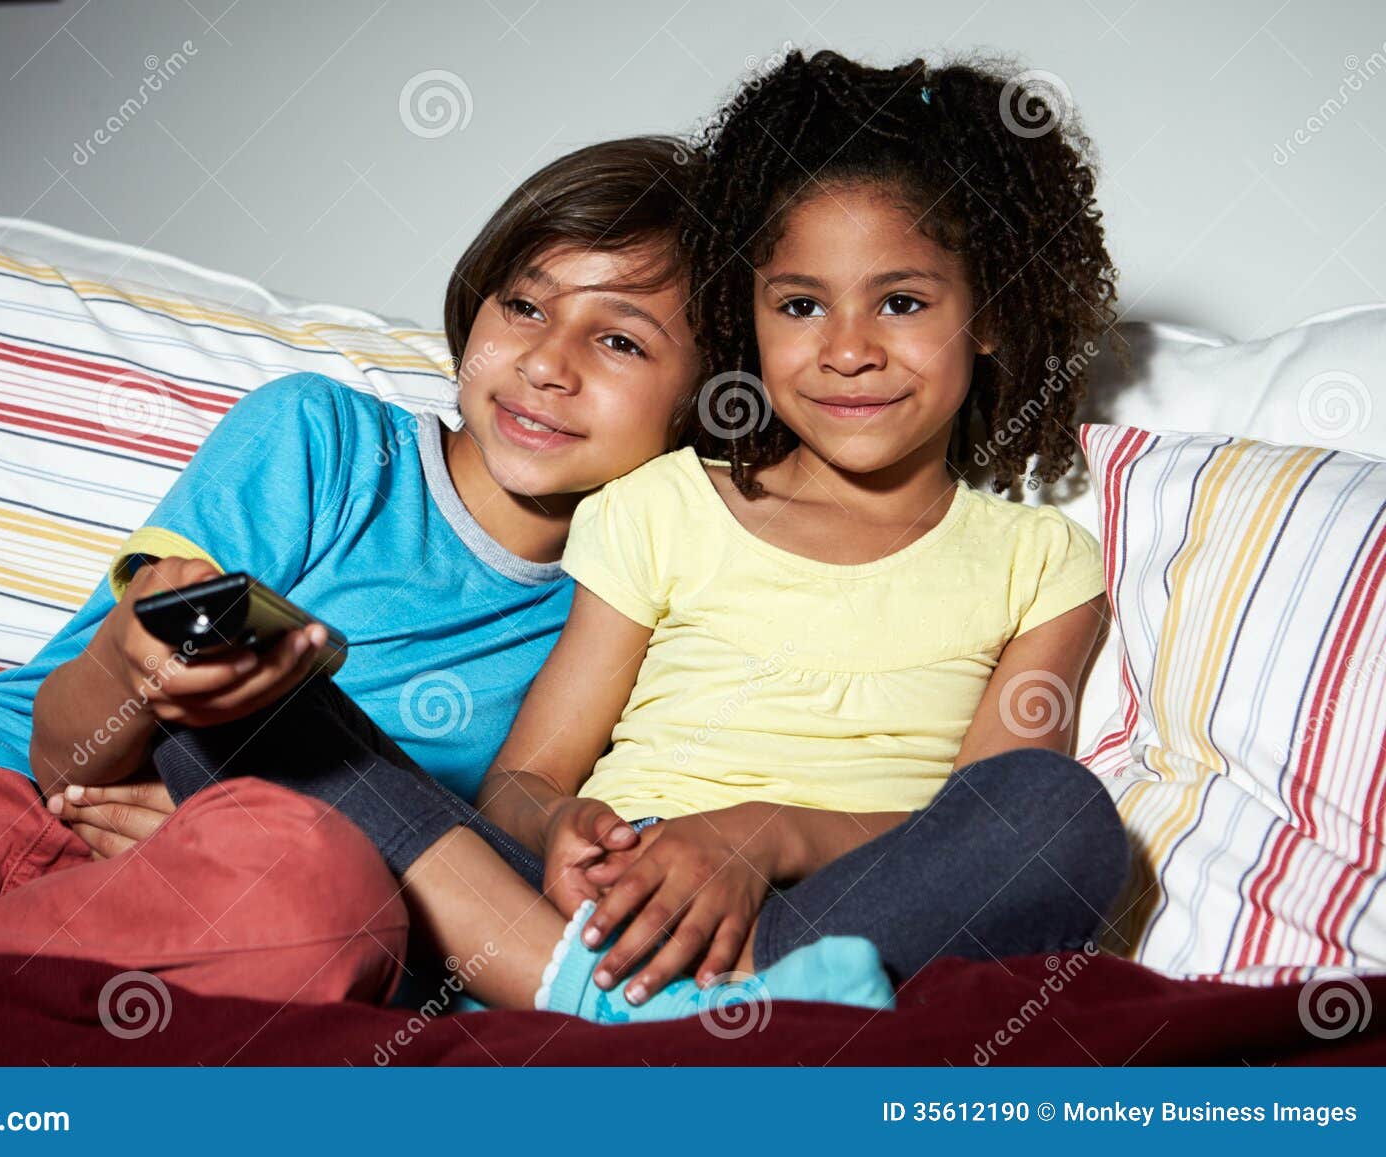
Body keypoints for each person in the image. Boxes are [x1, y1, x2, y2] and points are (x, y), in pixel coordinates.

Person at [133, 50, 1131, 1020]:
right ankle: (642, 1013)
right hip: (586, 905)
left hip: (821, 913)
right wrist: (564, 825)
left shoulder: (1039, 561)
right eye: (798, 305)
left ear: (993, 314)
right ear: (748, 319)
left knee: (1058, 813)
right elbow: (522, 781)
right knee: (240, 709)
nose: (847, 350)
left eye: (902, 302)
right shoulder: (662, 504)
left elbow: (981, 813)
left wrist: (763, 838)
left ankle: (643, 1010)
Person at [0, 137, 707, 1013]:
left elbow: (467, 899)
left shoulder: (619, 618)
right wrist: (135, 664)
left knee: (317, 896)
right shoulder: (321, 440)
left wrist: (206, 835)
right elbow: (62, 755)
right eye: (525, 306)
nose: (547, 364)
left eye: (619, 341)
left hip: (204, 914)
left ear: (701, 402)